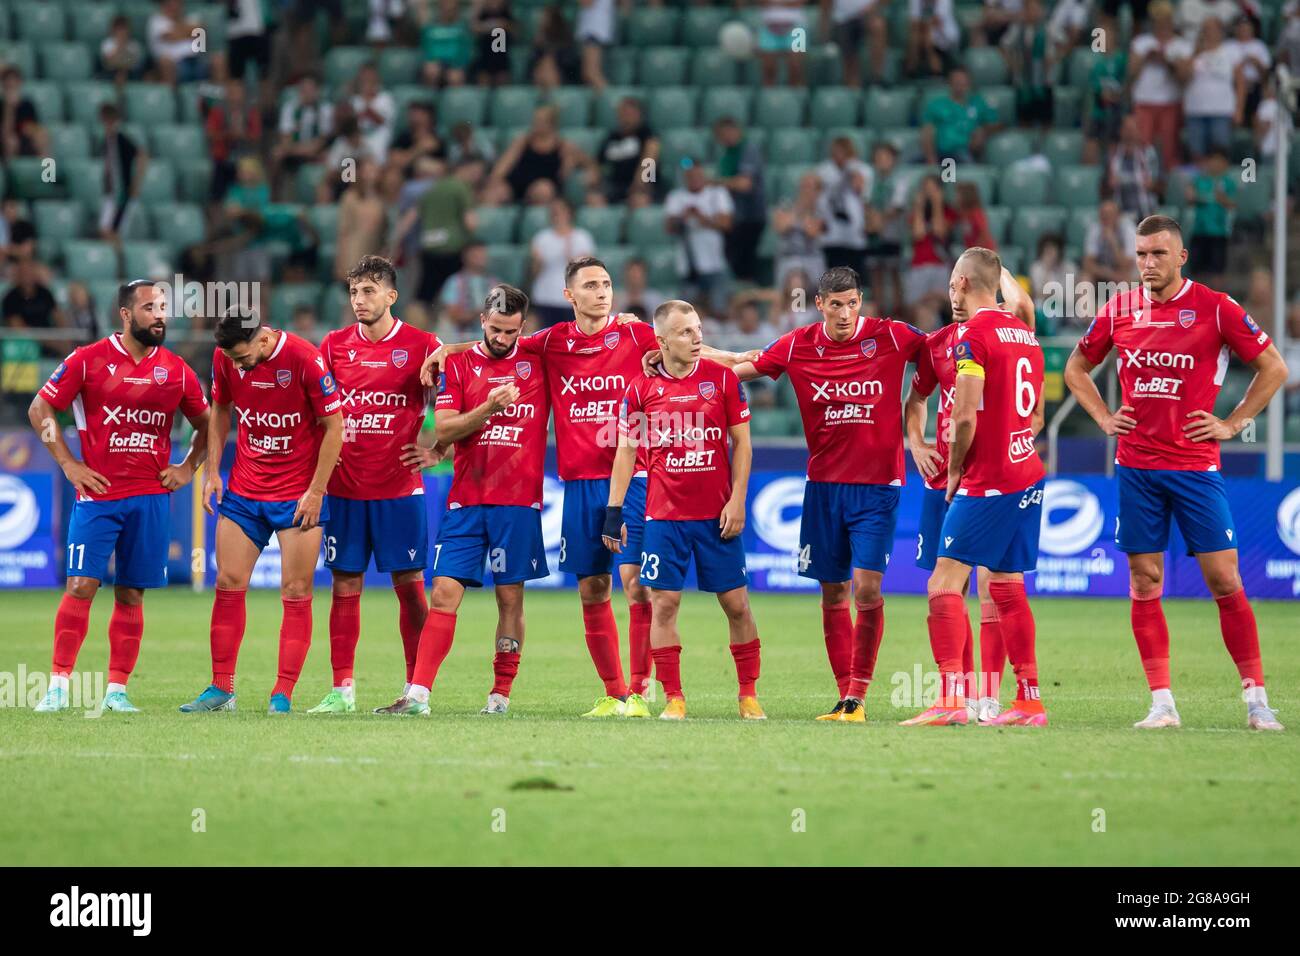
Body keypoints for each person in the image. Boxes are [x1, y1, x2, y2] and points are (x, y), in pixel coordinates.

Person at [1064, 214, 1288, 732]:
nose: (1147, 263)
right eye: (1141, 254)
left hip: (1194, 467)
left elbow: (1274, 366)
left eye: (1157, 254)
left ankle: (1257, 701)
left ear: (1181, 257)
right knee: (1145, 581)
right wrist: (1102, 417)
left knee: (1225, 577)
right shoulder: (1120, 309)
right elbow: (1076, 368)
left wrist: (1234, 424)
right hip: (1137, 468)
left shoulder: (1215, 308)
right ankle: (1162, 704)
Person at [724, 267, 927, 720]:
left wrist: (918, 418)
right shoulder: (798, 345)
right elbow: (740, 370)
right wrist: (680, 364)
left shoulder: (892, 337)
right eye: (835, 304)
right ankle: (845, 698)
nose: (844, 313)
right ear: (819, 305)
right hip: (823, 487)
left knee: (867, 588)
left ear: (862, 301)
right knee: (832, 592)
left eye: (852, 303)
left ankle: (857, 694)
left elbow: (939, 357)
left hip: (878, 486)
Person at [29, 280, 210, 713]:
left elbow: (210, 423)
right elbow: (40, 409)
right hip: (99, 496)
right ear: (126, 315)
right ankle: (57, 686)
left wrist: (189, 466)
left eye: (163, 307)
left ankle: (117, 691)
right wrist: (69, 464)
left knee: (131, 594)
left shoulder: (177, 370)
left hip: (150, 499)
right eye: (150, 308)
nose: (160, 315)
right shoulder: (88, 361)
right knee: (81, 585)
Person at [377, 285, 547, 716]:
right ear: (482, 323)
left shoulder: (539, 360)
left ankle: (500, 695)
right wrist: (489, 408)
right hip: (467, 501)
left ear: (522, 328)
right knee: (444, 592)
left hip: (517, 503)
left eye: (511, 331)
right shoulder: (460, 364)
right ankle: (418, 695)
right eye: (495, 329)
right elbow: (447, 431)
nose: (503, 339)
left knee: (510, 600)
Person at [907, 246, 1048, 726]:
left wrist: (953, 471)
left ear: (962, 283)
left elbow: (964, 416)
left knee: (944, 581)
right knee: (1006, 584)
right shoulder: (1026, 335)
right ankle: (1028, 700)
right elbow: (1032, 413)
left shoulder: (971, 337)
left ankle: (951, 701)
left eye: (953, 283)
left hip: (986, 480)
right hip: (1027, 471)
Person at [603, 299, 762, 720]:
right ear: (661, 341)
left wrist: (737, 499)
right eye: (685, 332)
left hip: (716, 516)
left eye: (697, 328)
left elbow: (742, 443)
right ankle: (674, 697)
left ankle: (748, 695)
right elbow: (626, 451)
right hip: (663, 517)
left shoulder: (722, 380)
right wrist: (613, 511)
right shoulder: (639, 389)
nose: (697, 338)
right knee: (664, 604)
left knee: (737, 605)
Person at [180, 313, 344, 714]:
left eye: (242, 356)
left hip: (297, 495)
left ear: (263, 338)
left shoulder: (305, 359)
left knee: (295, 590)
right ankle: (222, 689)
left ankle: (282, 694)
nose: (237, 365)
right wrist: (213, 470)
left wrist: (316, 491)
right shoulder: (225, 357)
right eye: (230, 358)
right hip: (246, 489)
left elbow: (334, 426)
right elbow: (220, 409)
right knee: (229, 583)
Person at [308, 256, 444, 713]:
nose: (359, 301)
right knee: (344, 586)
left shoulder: (424, 345)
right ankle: (342, 690)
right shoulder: (332, 346)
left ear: (391, 295)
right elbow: (316, 412)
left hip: (399, 488)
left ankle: (415, 690)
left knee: (410, 585)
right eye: (353, 292)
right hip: (344, 488)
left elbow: (461, 391)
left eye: (369, 291)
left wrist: (439, 450)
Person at [664, 160, 734, 317]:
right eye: (690, 176)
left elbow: (727, 223)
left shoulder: (717, 193)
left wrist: (702, 217)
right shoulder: (676, 197)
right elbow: (668, 227)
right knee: (685, 315)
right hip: (688, 266)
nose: (694, 179)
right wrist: (683, 216)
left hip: (715, 262)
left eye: (697, 175)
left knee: (719, 309)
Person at [1129, 1, 1192, 170]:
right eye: (1158, 20)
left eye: (1166, 20)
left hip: (1170, 102)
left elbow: (1185, 76)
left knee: (1169, 148)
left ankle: (1166, 189)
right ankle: (1144, 184)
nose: (1162, 24)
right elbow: (1131, 72)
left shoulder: (1182, 45)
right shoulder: (1141, 42)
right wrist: (1146, 58)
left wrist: (1166, 61)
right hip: (1144, 101)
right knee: (1143, 146)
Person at [713, 118, 767, 284]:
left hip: (749, 216)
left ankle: (747, 299)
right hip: (736, 217)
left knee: (744, 265)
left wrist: (717, 182)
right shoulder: (728, 154)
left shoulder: (747, 150)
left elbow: (745, 184)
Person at [530, 198, 596, 327]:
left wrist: (571, 258)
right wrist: (537, 263)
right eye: (554, 211)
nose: (557, 214)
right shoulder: (541, 238)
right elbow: (534, 271)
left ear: (569, 213)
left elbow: (589, 271)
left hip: (572, 298)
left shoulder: (582, 237)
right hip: (545, 296)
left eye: (561, 211)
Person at [1180, 17, 1236, 161]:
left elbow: (1240, 82)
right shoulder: (1189, 51)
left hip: (1221, 110)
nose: (1209, 33)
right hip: (1195, 110)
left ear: (1220, 32)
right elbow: (1182, 78)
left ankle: (1220, 183)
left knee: (1220, 152)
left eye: (1212, 29)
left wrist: (1239, 109)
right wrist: (1195, 53)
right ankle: (1200, 183)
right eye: (1205, 29)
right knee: (1197, 153)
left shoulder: (1231, 50)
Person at [920, 66, 999, 164]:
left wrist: (983, 132)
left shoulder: (978, 103)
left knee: (967, 167)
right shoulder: (936, 105)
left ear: (969, 84)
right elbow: (927, 132)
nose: (960, 86)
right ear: (949, 83)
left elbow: (996, 124)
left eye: (964, 83)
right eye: (957, 82)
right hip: (942, 152)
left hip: (966, 151)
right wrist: (931, 158)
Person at [1184, 148, 1236, 282]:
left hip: (1219, 232)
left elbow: (1233, 203)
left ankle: (1217, 301)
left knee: (1217, 272)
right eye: (1212, 159)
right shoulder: (1199, 180)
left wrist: (1222, 198)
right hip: (1199, 230)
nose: (1215, 163)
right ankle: (1197, 301)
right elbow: (1189, 198)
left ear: (1225, 163)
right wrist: (1192, 195)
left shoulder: (1228, 182)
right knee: (1197, 271)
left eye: (1219, 160)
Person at [771, 172, 826, 287]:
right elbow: (780, 227)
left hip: (811, 258)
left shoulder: (822, 209)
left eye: (810, 187)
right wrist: (800, 213)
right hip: (788, 258)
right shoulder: (785, 204)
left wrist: (795, 218)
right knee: (796, 283)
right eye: (803, 186)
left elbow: (812, 231)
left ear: (818, 191)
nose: (805, 191)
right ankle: (797, 305)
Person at [599, 97, 656, 206]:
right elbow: (599, 163)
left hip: (641, 187)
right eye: (622, 113)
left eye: (628, 113)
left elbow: (650, 160)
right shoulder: (612, 138)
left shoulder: (646, 134)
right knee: (595, 200)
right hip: (615, 186)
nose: (625, 117)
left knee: (639, 200)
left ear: (638, 114)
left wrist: (639, 184)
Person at [1107, 115, 1162, 222]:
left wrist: (1152, 184)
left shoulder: (1149, 152)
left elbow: (1159, 185)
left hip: (1146, 210)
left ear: (1139, 131)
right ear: (1121, 131)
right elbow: (1105, 186)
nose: (1130, 133)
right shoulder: (1113, 154)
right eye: (1127, 129)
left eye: (1133, 129)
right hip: (1120, 213)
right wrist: (1110, 183)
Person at [821, 0, 889, 86]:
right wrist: (825, 36)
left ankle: (877, 77)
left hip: (867, 17)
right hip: (842, 21)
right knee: (849, 59)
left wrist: (873, 7)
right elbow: (825, 6)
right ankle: (853, 85)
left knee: (878, 25)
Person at [439, 241, 500, 333]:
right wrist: (481, 313)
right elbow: (454, 316)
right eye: (476, 256)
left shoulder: (495, 283)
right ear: (465, 257)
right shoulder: (455, 281)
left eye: (483, 255)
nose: (481, 259)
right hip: (461, 336)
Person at [1082, 199, 1139, 288]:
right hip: (1105, 273)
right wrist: (1110, 275)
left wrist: (1113, 242)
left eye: (1109, 215)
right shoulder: (1095, 229)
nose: (1105, 218)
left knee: (1125, 280)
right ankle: (1088, 302)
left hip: (1126, 273)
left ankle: (1121, 301)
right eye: (1103, 215)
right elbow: (1088, 264)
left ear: (1118, 216)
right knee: (1085, 280)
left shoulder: (1129, 229)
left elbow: (1126, 265)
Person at [351, 63, 397, 163]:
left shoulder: (385, 98)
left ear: (377, 79)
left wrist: (367, 105)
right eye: (365, 77)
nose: (368, 80)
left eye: (371, 77)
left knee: (375, 158)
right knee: (345, 151)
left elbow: (383, 121)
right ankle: (348, 177)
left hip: (379, 137)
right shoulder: (354, 100)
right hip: (358, 138)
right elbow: (350, 124)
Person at [420, 0, 472, 87]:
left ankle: (454, 99)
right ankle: (430, 97)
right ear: (440, 8)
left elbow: (466, 51)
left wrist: (459, 66)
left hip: (456, 65)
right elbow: (425, 49)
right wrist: (430, 62)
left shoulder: (462, 28)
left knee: (455, 77)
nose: (448, 10)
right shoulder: (430, 28)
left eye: (451, 8)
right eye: (445, 6)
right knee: (431, 70)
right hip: (434, 64)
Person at [0, 67, 47, 159]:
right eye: (8, 83)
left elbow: (33, 126)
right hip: (6, 141)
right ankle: (10, 170)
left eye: (14, 82)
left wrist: (30, 130)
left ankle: (45, 169)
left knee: (43, 136)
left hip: (25, 138)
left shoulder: (27, 104)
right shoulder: (2, 105)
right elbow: (5, 131)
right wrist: (9, 108)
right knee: (11, 141)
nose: (11, 85)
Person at [469, 0, 514, 86]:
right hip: (485, 58)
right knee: (483, 83)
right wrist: (494, 25)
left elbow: (514, 30)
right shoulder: (482, 14)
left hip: (502, 59)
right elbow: (473, 28)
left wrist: (504, 25)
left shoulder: (507, 14)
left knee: (502, 84)